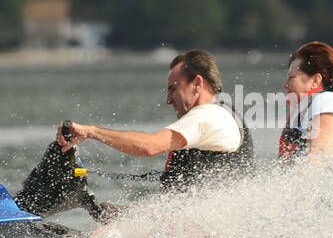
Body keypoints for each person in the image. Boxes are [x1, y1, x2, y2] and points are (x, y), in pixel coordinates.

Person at [57, 49, 254, 192]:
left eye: (173, 89)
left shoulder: (208, 116)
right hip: (197, 234)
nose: (168, 100)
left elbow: (149, 147)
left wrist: (91, 132)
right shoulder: (219, 117)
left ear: (197, 84)